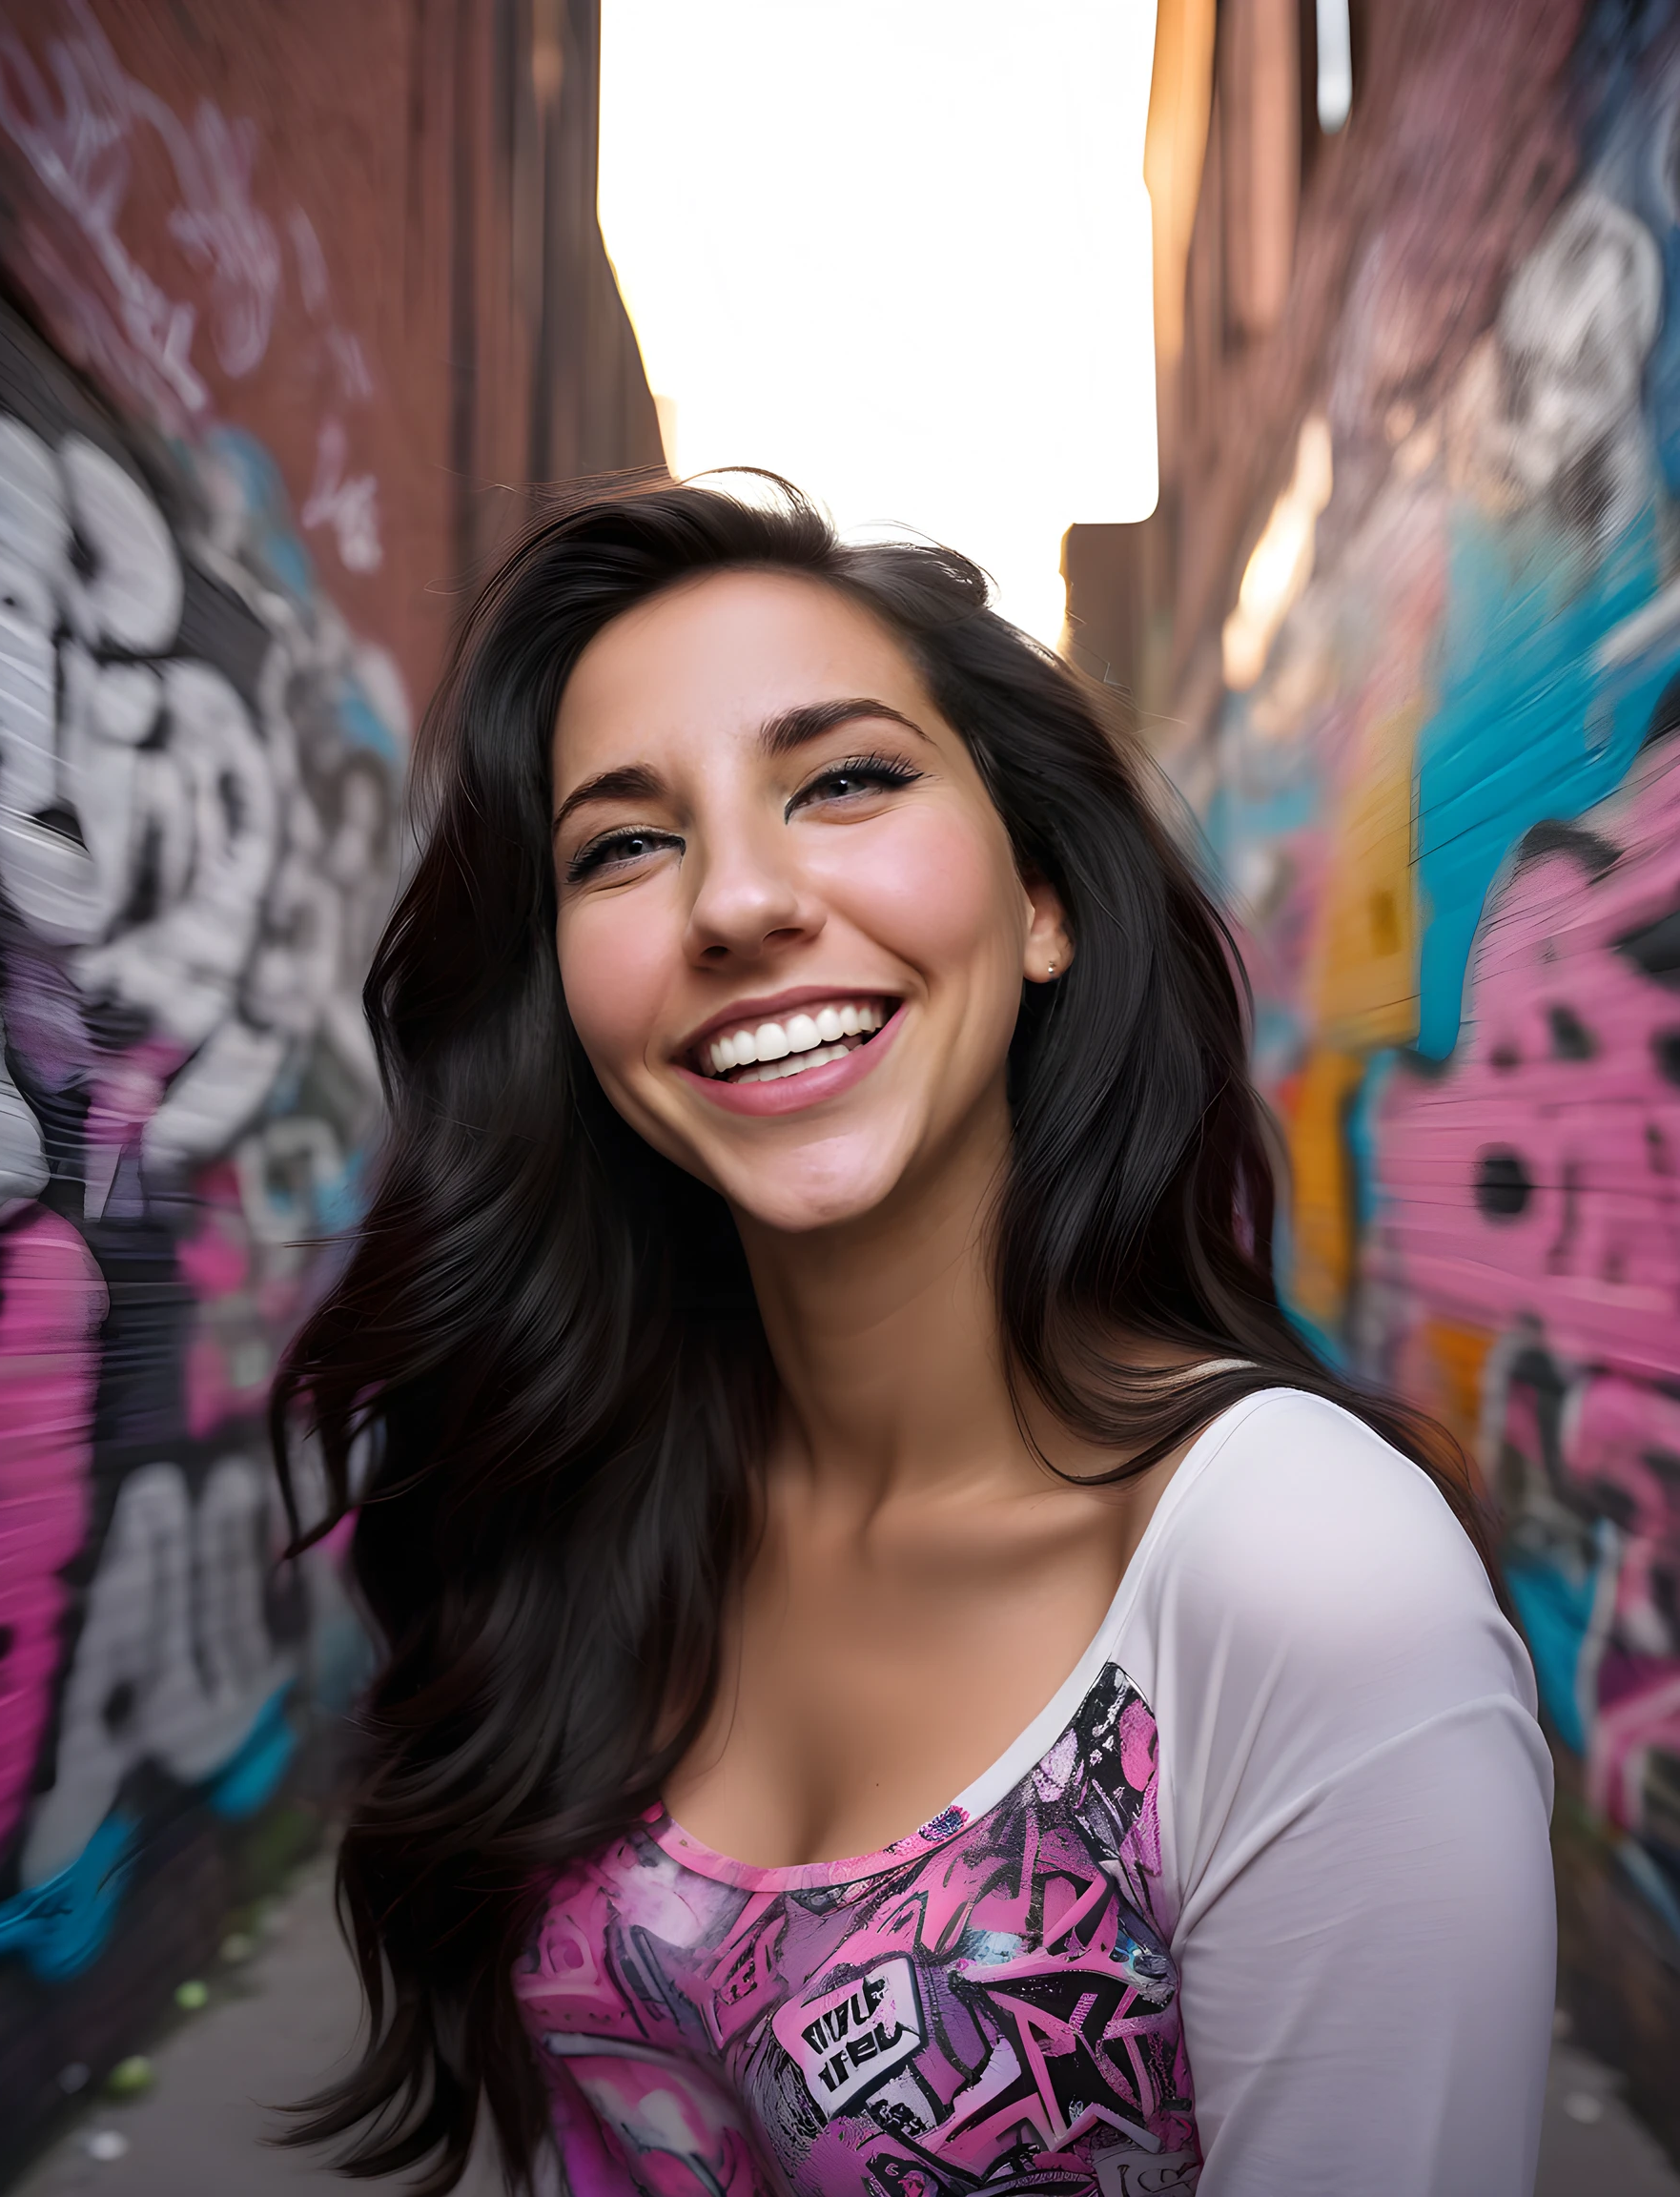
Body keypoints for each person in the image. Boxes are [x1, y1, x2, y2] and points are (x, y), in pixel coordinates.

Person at [274, 479, 1555, 2197]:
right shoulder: (602, 1494)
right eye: (623, 845)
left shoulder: (1304, 1579)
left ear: (1043, 900)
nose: (737, 902)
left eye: (844, 780)